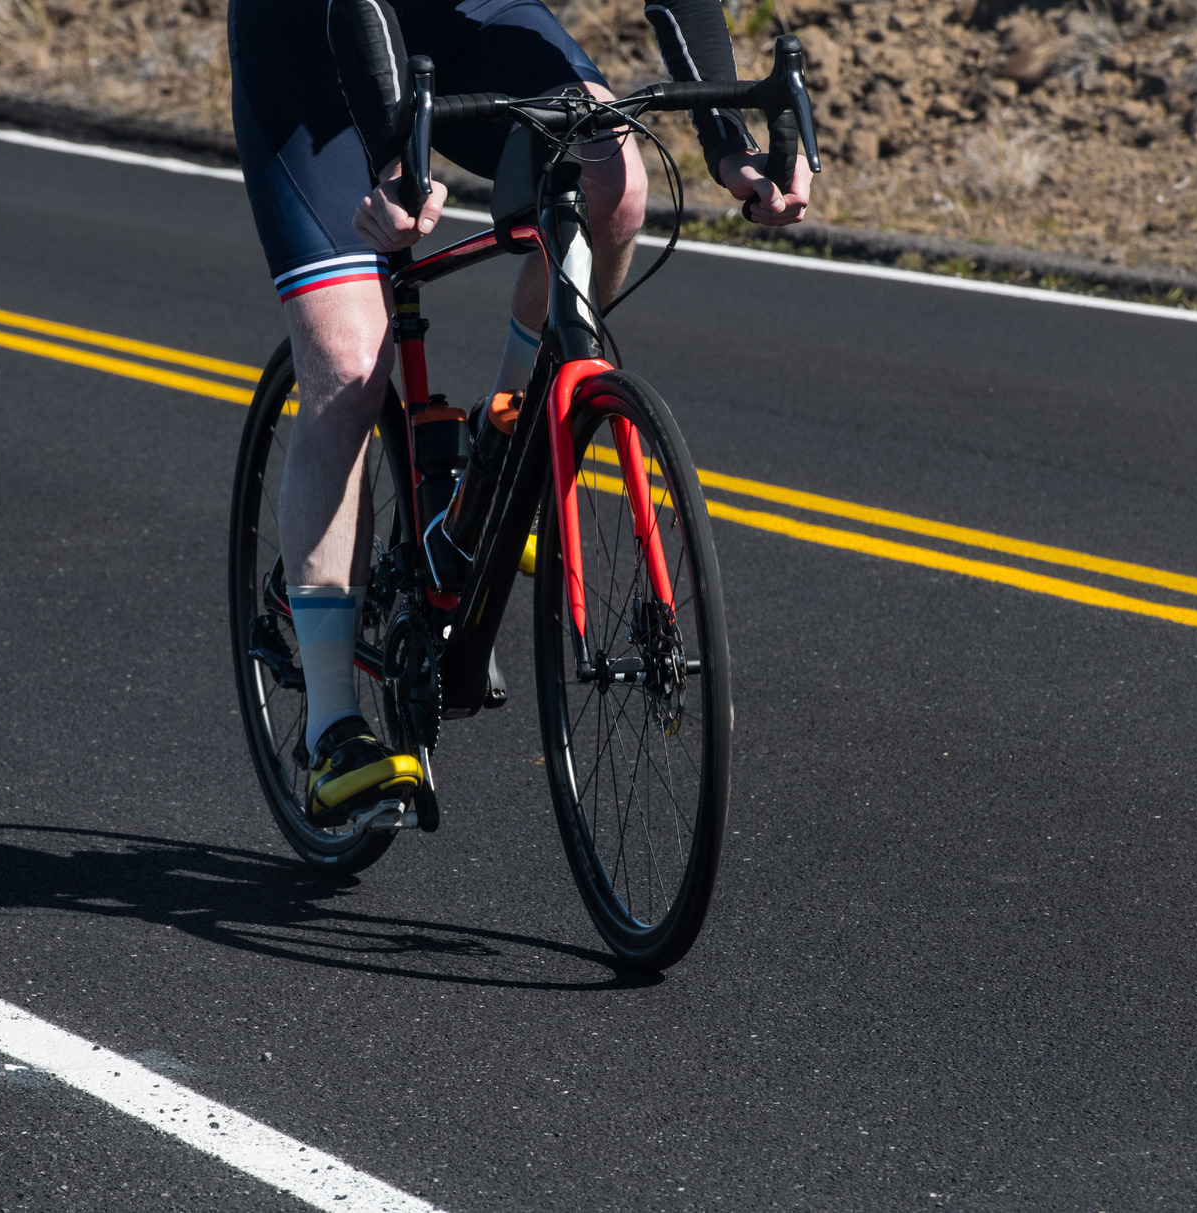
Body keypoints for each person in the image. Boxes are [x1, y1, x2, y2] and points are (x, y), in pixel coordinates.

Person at [229, 0, 813, 826]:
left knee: (613, 185)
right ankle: (332, 726)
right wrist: (396, 161)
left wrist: (730, 146)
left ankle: (502, 439)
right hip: (310, 53)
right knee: (353, 364)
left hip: (461, 22)